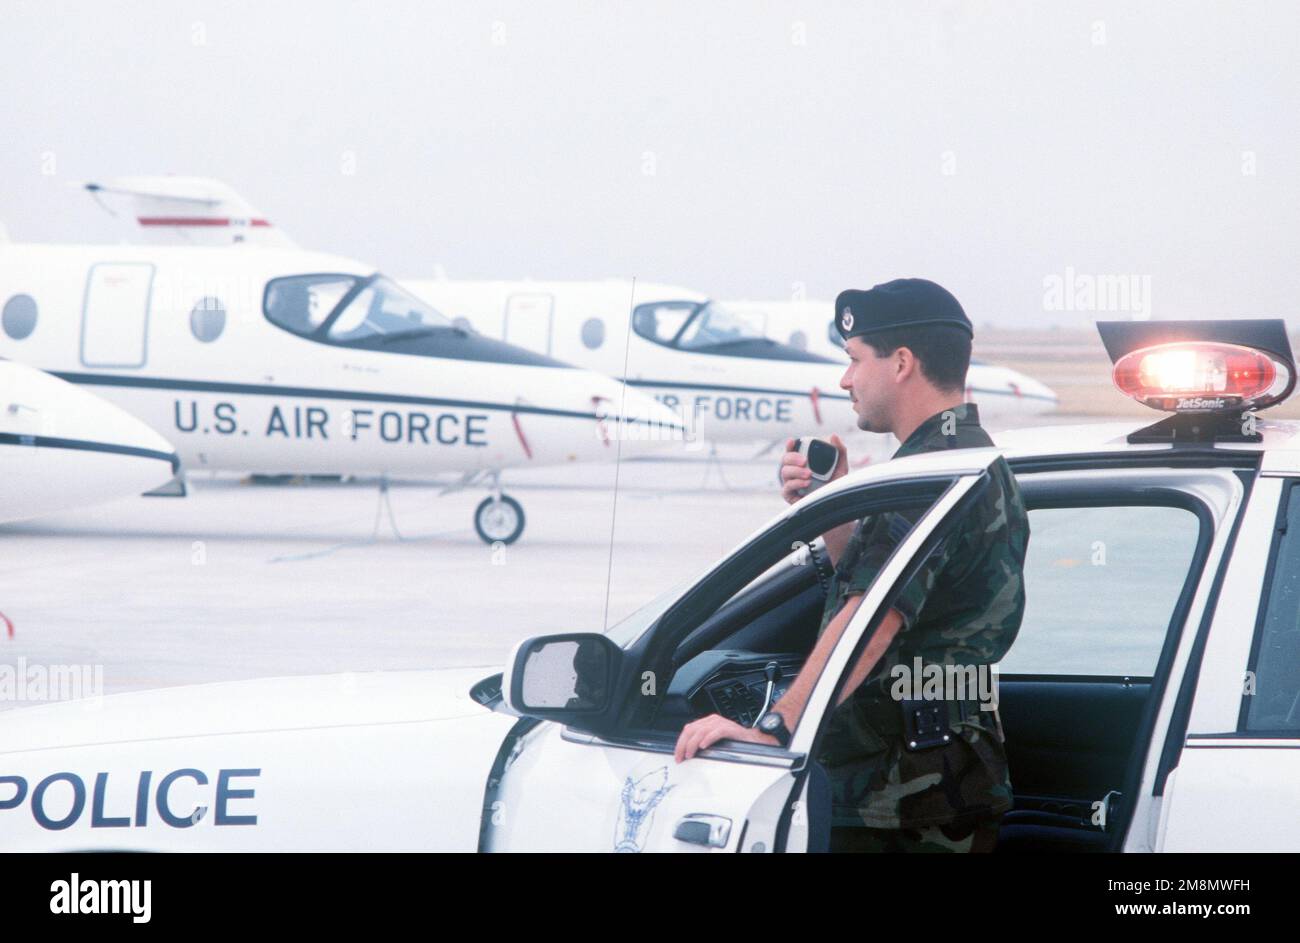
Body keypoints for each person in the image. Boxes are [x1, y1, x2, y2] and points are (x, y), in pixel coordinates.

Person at [673, 278, 1029, 853]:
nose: (845, 380)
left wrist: (776, 727)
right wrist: (834, 506)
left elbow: (873, 617)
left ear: (902, 363)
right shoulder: (963, 461)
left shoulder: (931, 478)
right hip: (932, 782)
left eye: (854, 360)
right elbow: (883, 584)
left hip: (903, 799)